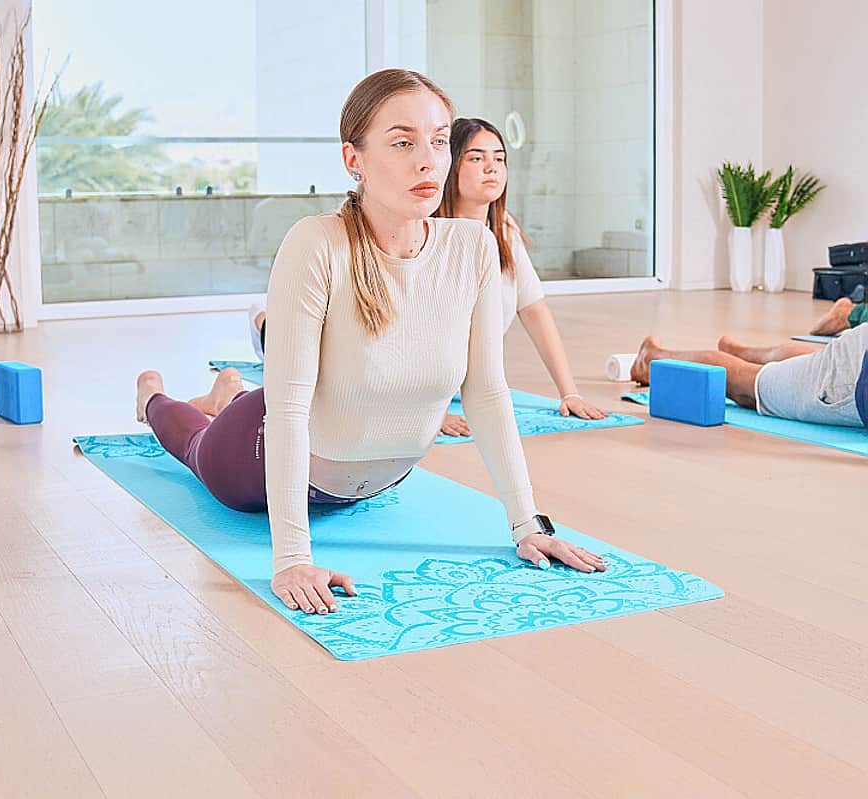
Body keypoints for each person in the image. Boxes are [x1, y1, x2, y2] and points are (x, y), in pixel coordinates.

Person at [135, 69, 607, 616]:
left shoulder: (474, 245)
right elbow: (288, 408)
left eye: (438, 140)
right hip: (260, 450)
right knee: (194, 447)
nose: (427, 160)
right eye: (402, 142)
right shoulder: (317, 243)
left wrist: (529, 525)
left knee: (238, 409)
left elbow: (487, 394)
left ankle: (226, 394)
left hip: (372, 481)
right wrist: (291, 557)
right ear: (353, 159)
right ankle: (153, 396)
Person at [248, 117, 607, 437]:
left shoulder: (503, 232)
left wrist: (568, 391)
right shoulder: (419, 233)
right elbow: (397, 335)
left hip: (446, 377)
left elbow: (534, 310)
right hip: (365, 370)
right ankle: (265, 322)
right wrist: (427, 416)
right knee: (301, 357)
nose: (492, 168)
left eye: (499, 158)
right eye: (476, 158)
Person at [630, 324, 868, 428]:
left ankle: (743, 352)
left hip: (856, 354)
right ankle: (652, 360)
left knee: (820, 363)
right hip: (851, 377)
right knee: (744, 383)